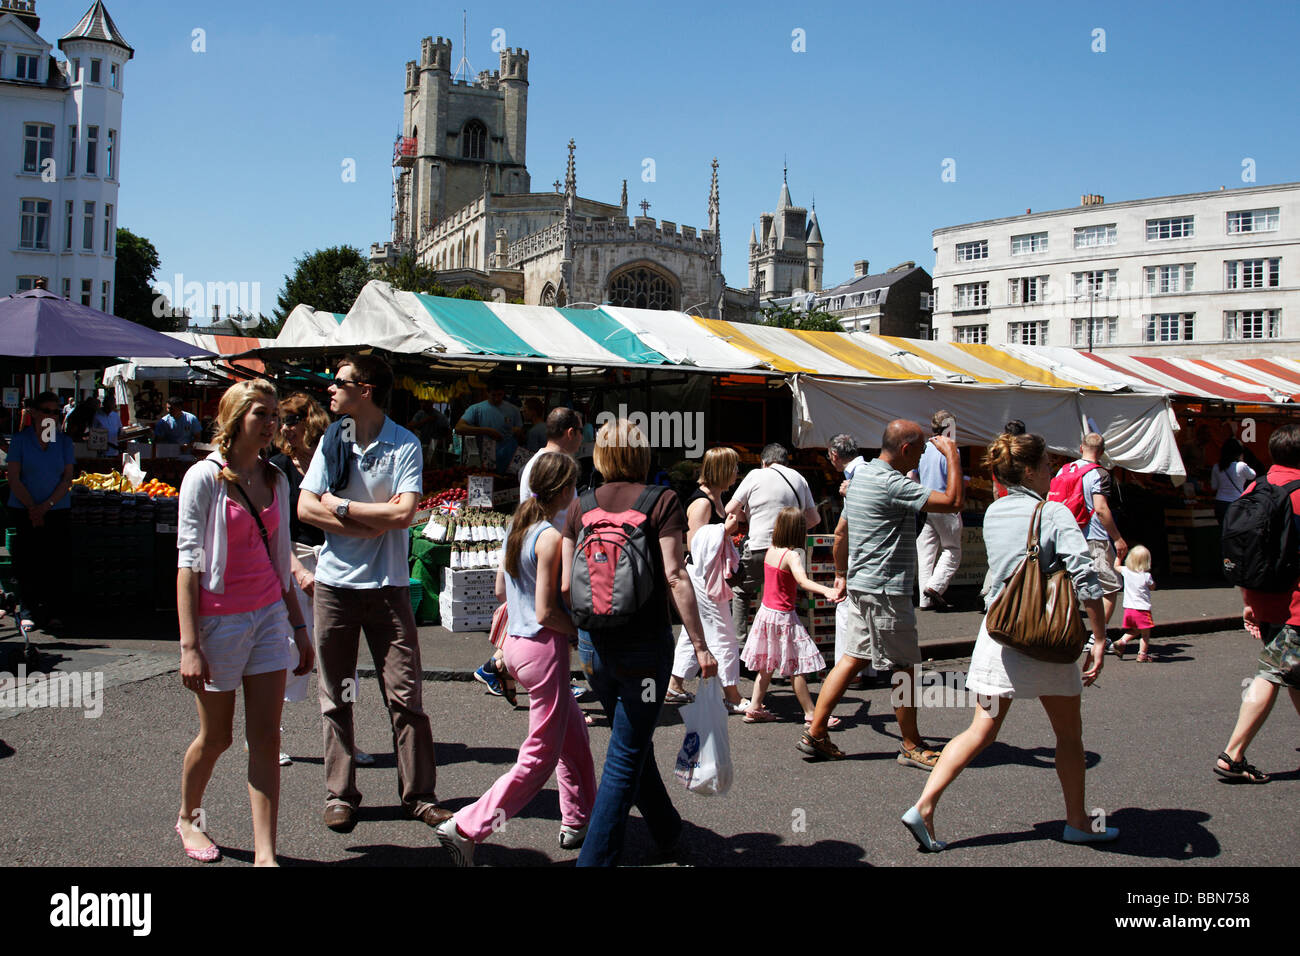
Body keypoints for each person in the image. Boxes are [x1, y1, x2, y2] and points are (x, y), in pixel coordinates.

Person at [900, 432, 1115, 852]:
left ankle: (924, 806)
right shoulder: (1052, 513)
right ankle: (1077, 821)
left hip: (1000, 633)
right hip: (1046, 635)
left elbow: (993, 580)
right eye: (1049, 465)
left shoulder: (996, 512)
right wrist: (1100, 636)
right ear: (1032, 470)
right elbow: (1085, 577)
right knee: (1069, 736)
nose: (1053, 472)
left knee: (980, 729)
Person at [298, 354, 453, 833]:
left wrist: (341, 506)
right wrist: (367, 524)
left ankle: (420, 796)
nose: (330, 389)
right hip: (335, 586)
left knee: (405, 696)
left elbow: (405, 514)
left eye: (339, 382)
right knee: (336, 696)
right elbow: (305, 506)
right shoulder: (331, 440)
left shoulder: (403, 443)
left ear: (364, 390)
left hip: (388, 589)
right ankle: (340, 794)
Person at [561, 417, 717, 866]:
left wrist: (577, 631)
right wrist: (701, 646)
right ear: (641, 453)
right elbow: (675, 574)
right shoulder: (661, 499)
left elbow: (567, 582)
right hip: (644, 646)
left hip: (594, 645)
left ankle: (667, 831)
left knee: (634, 740)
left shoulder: (582, 504)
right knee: (626, 752)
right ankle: (595, 860)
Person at [175, 380, 314, 866]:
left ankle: (265, 853)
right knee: (217, 737)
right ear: (235, 419)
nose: (273, 422)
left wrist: (299, 628)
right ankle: (189, 818)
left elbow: (281, 562)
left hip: (270, 620)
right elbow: (188, 564)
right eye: (262, 413)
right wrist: (189, 645)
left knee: (268, 737)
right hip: (219, 625)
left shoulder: (276, 479)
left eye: (276, 414)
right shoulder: (204, 478)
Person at [436, 452, 597, 866]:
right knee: (539, 757)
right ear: (564, 491)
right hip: (542, 649)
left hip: (515, 645)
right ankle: (468, 826)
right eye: (574, 488)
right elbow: (547, 611)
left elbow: (499, 591)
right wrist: (578, 633)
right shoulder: (546, 536)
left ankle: (581, 818)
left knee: (572, 737)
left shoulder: (518, 527)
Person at [800, 420, 963, 766]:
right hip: (886, 588)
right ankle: (911, 744)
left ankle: (815, 732)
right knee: (905, 666)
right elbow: (952, 501)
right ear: (905, 450)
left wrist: (842, 573)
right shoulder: (892, 483)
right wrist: (951, 456)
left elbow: (841, 532)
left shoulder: (862, 479)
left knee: (852, 657)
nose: (921, 457)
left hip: (863, 584)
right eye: (920, 450)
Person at [270, 392, 374, 767]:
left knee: (340, 653)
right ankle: (269, 737)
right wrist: (295, 570)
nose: (286, 427)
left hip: (331, 558)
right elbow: (272, 529)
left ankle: (345, 742)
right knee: (287, 650)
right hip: (293, 557)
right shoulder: (276, 467)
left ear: (312, 420)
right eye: (283, 420)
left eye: (294, 418)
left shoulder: (332, 461)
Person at [475, 406, 584, 698]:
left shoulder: (536, 461)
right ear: (571, 432)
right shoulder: (557, 466)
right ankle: (549, 678)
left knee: (530, 619)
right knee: (546, 620)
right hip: (546, 553)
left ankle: (500, 665)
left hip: (533, 549)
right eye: (582, 431)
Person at [1213, 423, 1300, 784]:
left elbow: (1246, 551)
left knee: (1293, 672)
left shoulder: (1256, 487)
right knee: (1273, 673)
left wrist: (1248, 600)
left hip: (1264, 597)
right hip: (1296, 602)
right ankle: (1232, 754)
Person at [667, 445, 749, 713]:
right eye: (734, 467)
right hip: (703, 578)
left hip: (705, 576)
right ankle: (732, 695)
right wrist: (725, 529)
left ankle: (674, 684)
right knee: (724, 632)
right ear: (723, 470)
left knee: (694, 634)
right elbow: (695, 545)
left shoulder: (715, 499)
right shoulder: (702, 502)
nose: (737, 472)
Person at [740, 506, 839, 724]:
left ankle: (755, 706)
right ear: (798, 531)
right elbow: (803, 582)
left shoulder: (771, 549)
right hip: (784, 617)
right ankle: (811, 713)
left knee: (766, 664)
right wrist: (827, 590)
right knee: (796, 666)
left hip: (766, 614)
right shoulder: (791, 555)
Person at [726, 443, 820, 640]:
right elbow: (814, 519)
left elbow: (730, 508)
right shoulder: (799, 478)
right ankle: (776, 644)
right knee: (780, 599)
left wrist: (747, 517)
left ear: (763, 462)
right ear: (786, 461)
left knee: (742, 592)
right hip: (788, 552)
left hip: (758, 546)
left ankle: (740, 642)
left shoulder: (754, 475)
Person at [5, 393, 75, 630]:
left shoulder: (62, 441)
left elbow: (66, 478)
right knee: (27, 561)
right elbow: (14, 477)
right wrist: (33, 508)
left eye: (56, 412)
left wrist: (46, 506)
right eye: (47, 411)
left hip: (56, 508)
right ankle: (28, 610)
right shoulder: (21, 440)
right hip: (24, 508)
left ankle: (54, 610)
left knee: (54, 562)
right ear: (34, 413)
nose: (52, 417)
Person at [1053, 433, 1127, 629]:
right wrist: (1118, 538)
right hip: (1094, 536)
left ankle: (1070, 634)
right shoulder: (1100, 474)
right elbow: (1101, 509)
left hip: (1067, 536)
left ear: (1080, 448)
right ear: (1102, 452)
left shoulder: (1063, 470)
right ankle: (1096, 638)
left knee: (1071, 586)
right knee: (1109, 587)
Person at [913, 410, 963, 611]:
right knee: (952, 550)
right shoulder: (950, 449)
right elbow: (955, 480)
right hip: (945, 502)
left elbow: (912, 475)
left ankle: (925, 600)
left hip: (926, 503)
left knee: (926, 553)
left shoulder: (924, 447)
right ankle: (935, 587)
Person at [455, 377, 524, 474]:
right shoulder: (476, 409)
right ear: (487, 393)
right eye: (493, 395)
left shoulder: (514, 410)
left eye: (499, 395)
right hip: (486, 460)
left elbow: (521, 437)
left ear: (504, 393)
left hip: (510, 461)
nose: (497, 398)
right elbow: (459, 428)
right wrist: (486, 431)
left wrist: (518, 432)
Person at [1112, 545, 1156, 661]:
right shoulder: (1146, 576)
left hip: (1128, 609)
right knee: (1145, 634)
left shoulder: (1126, 571)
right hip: (1142, 610)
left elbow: (1116, 566)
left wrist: (1119, 557)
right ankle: (1142, 655)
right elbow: (1152, 587)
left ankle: (1122, 641)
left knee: (1136, 629)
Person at [1211, 438, 1256, 525]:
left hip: (1220, 503)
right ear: (1239, 452)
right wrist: (1242, 460)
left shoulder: (1216, 467)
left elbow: (1214, 486)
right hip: (1237, 503)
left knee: (1223, 530)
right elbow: (1252, 475)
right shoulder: (1241, 466)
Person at [992, 420, 1026, 499]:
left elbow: (995, 489)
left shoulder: (998, 455)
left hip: (1003, 501)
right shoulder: (1025, 455)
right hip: (1023, 501)